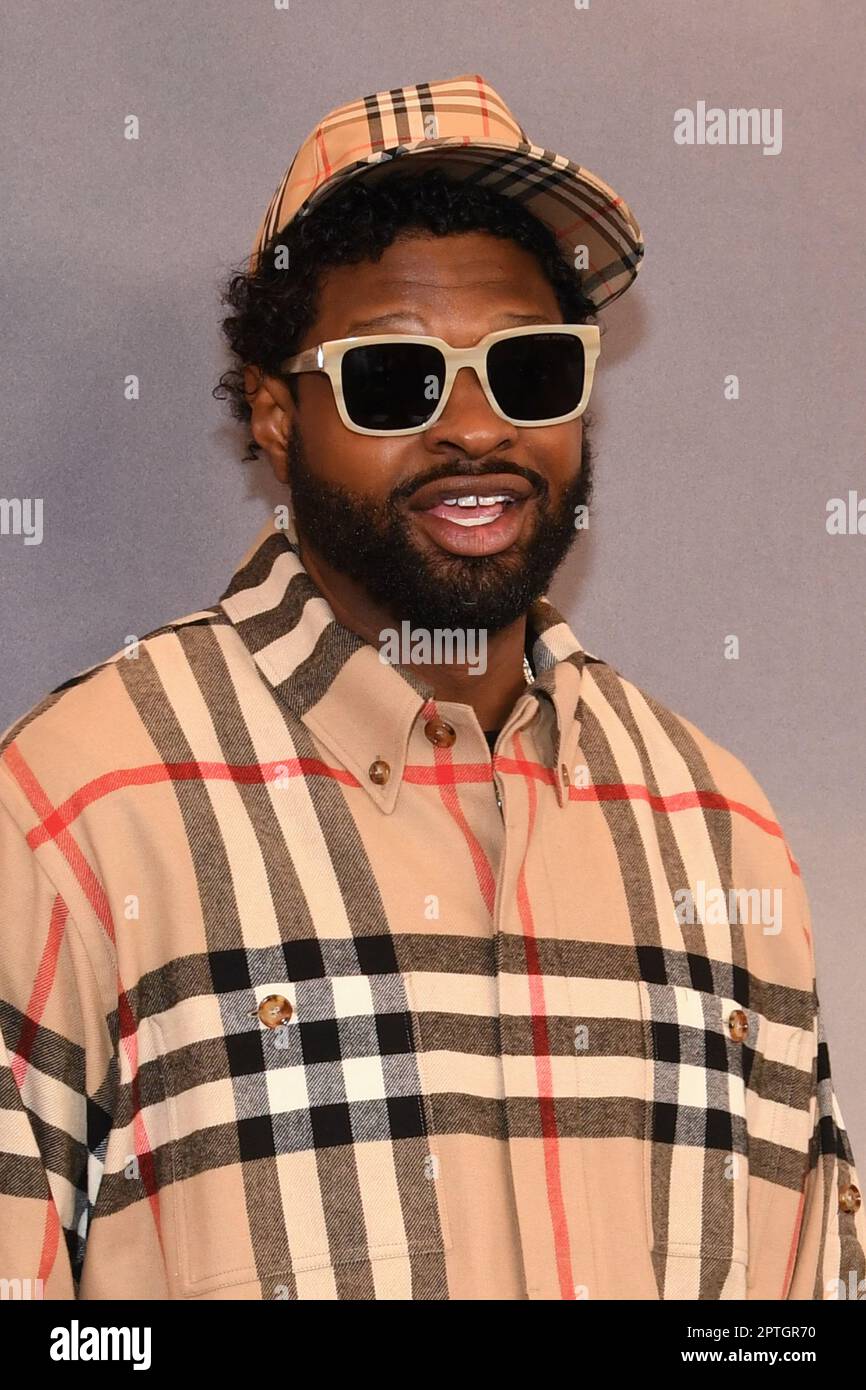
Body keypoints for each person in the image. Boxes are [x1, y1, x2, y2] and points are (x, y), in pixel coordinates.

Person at [0, 73, 862, 1302]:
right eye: (395, 381)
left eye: (527, 370)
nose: (474, 427)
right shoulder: (73, 817)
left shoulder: (718, 832)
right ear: (274, 414)